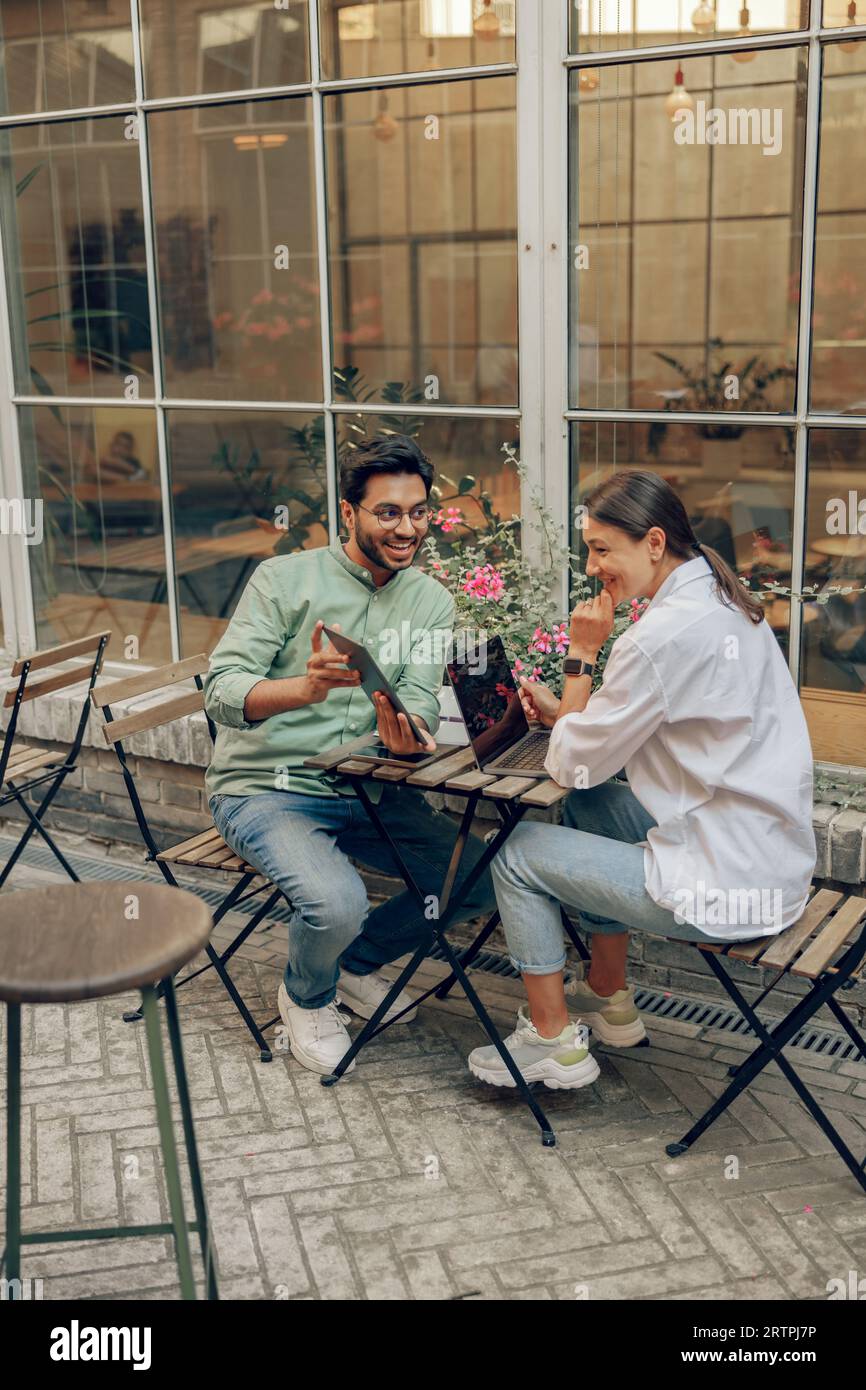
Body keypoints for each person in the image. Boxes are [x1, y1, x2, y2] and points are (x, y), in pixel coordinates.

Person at [468, 470, 816, 1093]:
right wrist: (573, 717)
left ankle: (551, 1044)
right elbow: (611, 752)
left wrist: (581, 658)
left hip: (731, 888)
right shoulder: (724, 599)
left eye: (604, 549)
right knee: (596, 801)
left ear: (654, 542)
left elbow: (569, 765)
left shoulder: (658, 636)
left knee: (516, 855)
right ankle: (608, 997)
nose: (594, 566)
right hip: (770, 863)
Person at [204, 435, 495, 1075]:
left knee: (477, 877)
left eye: (418, 512)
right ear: (348, 512)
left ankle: (352, 966)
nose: (407, 527)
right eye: (387, 512)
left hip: (372, 788)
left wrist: (409, 732)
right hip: (266, 787)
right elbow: (221, 692)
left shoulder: (430, 599)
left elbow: (418, 697)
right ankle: (305, 996)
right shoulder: (284, 579)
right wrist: (302, 689)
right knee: (336, 902)